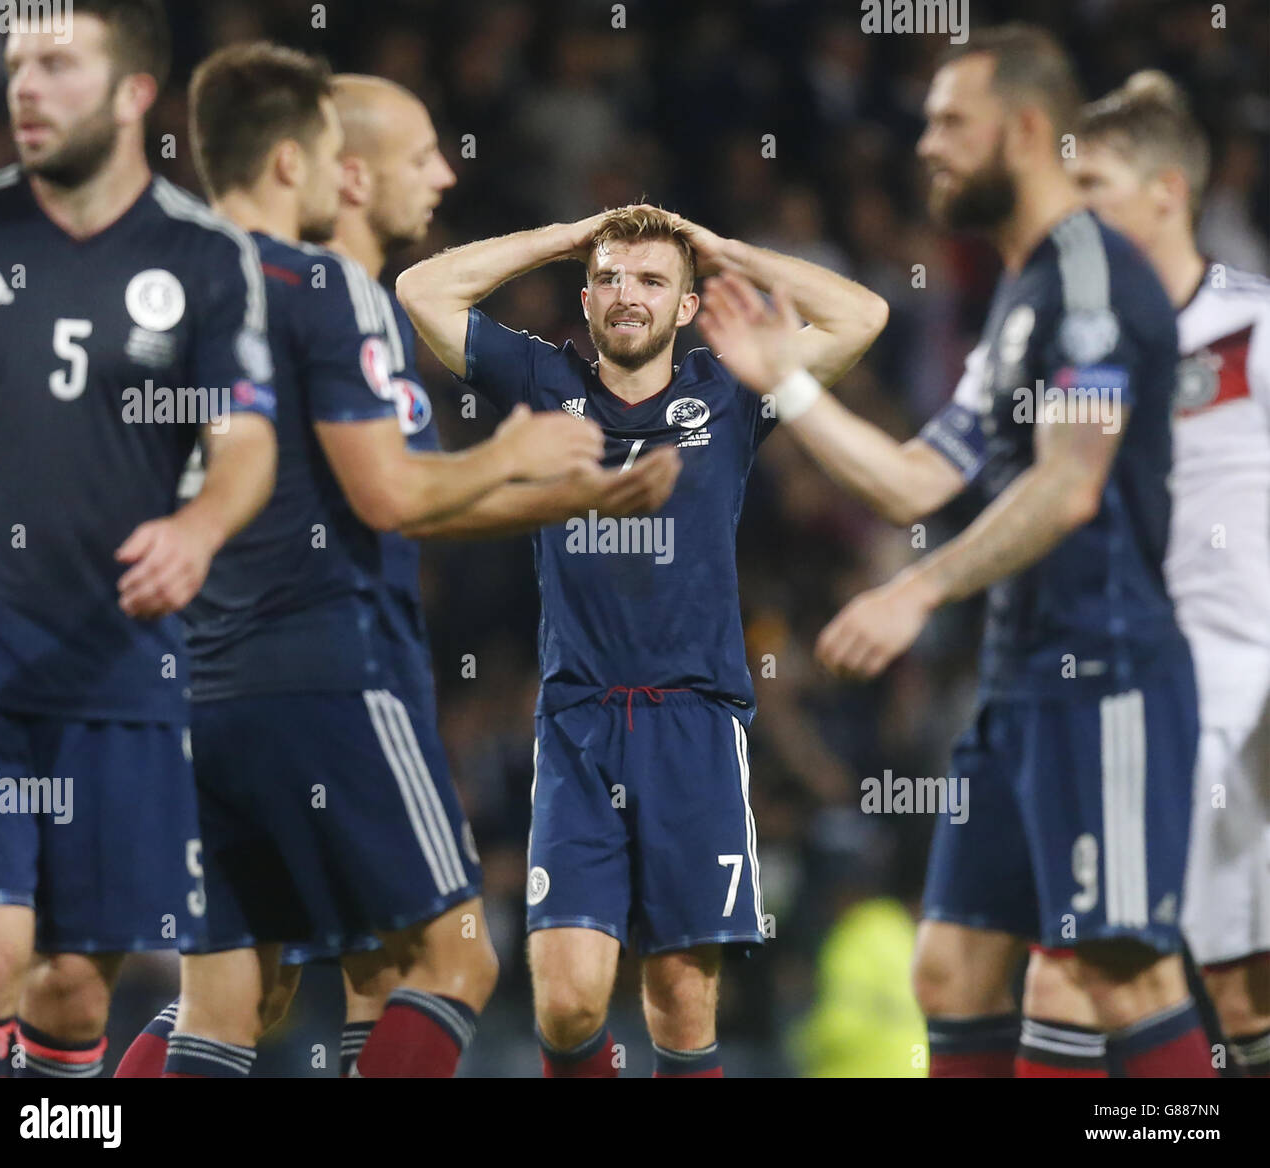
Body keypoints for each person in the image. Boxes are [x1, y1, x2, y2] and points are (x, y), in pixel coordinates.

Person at [116, 72, 679, 1078]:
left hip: (199, 684)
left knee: (243, 992)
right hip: (328, 673)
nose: (446, 171)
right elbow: (393, 496)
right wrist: (517, 454)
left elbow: (394, 495)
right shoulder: (330, 292)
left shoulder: (201, 286)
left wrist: (573, 497)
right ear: (345, 172)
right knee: (453, 956)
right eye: (423, 152)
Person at [697, 24, 1210, 1077]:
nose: (923, 143)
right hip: (1020, 679)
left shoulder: (1093, 279)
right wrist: (784, 380)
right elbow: (915, 479)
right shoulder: (1022, 300)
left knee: (1121, 972)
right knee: (954, 970)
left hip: (1105, 671)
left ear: (1024, 129)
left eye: (948, 122)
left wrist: (913, 592)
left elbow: (1070, 484)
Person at [398, 203, 887, 1076]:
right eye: (610, 279)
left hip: (693, 724)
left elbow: (863, 315)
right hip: (578, 721)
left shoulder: (731, 388)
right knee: (567, 1002)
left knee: (681, 1002)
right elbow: (421, 289)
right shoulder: (547, 382)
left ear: (688, 306)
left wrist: (727, 247)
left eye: (653, 281)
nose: (628, 296)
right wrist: (564, 237)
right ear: (584, 300)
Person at [0, 0, 277, 1080]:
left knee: (72, 982)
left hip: (120, 668)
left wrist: (198, 527)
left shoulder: (200, 258)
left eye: (56, 63)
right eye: (16, 64)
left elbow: (244, 439)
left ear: (133, 93)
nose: (25, 87)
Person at [1072, 70, 1270, 1078]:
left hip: (1251, 665)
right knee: (1225, 971)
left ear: (1164, 192)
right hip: (1162, 677)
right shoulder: (1087, 353)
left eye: (1095, 188)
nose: (1077, 216)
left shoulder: (1252, 321)